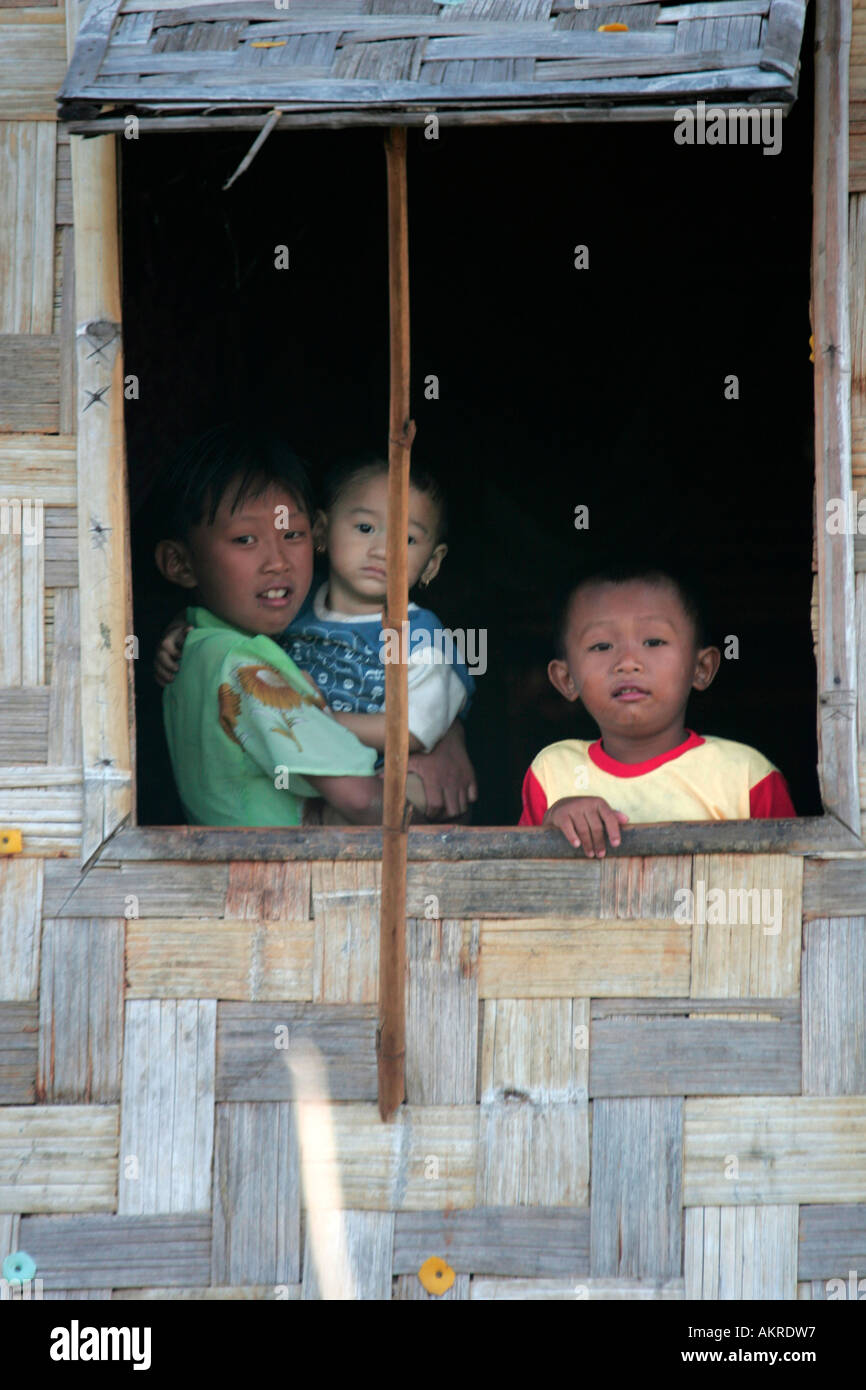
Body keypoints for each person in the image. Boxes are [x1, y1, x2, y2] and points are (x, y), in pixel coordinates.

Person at [157, 447, 479, 817]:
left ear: (433, 563)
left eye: (406, 539)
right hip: (342, 794)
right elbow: (224, 616)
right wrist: (180, 625)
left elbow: (415, 730)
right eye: (364, 528)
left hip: (383, 779)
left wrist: (320, 717)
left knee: (406, 794)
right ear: (324, 531)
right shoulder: (293, 611)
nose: (382, 550)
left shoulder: (421, 637)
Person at [519, 561, 796, 854]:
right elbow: (514, 884)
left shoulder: (746, 776)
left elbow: (792, 882)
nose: (627, 662)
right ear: (566, 679)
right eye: (601, 646)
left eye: (653, 641)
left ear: (701, 668)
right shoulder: (552, 774)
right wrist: (553, 826)